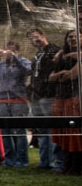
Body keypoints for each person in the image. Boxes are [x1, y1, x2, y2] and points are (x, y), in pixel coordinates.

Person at [26, 27, 62, 169]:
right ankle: (44, 161)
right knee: (41, 130)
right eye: (30, 39)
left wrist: (48, 90)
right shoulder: (37, 54)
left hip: (48, 95)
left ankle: (57, 161)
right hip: (36, 95)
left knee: (52, 130)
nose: (34, 40)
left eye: (35, 37)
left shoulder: (53, 50)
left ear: (43, 35)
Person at [0, 41, 31, 167]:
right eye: (7, 50)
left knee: (20, 130)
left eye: (13, 50)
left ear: (17, 51)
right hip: (3, 98)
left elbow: (27, 71)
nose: (9, 53)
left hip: (19, 98)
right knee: (5, 130)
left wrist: (15, 58)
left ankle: (22, 160)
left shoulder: (23, 61)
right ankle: (9, 159)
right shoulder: (1, 65)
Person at [48, 29, 80, 175]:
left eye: (75, 36)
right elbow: (50, 77)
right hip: (61, 98)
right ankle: (66, 165)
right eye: (70, 37)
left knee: (75, 133)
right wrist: (61, 75)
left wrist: (60, 75)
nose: (72, 39)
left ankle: (76, 167)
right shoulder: (61, 56)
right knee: (64, 134)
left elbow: (71, 76)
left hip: (75, 98)